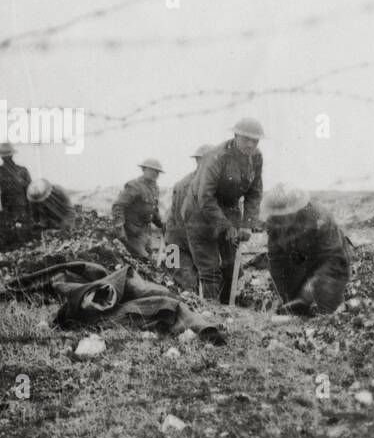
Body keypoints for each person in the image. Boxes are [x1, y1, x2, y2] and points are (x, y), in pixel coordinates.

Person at [182, 118, 264, 302]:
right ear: (235, 136)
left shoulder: (256, 157)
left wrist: (247, 224)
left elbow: (255, 193)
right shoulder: (216, 156)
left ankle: (228, 310)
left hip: (229, 211)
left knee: (230, 265)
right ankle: (212, 312)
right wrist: (225, 226)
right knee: (210, 269)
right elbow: (205, 196)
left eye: (255, 140)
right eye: (246, 139)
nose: (251, 144)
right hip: (200, 214)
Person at [263, 184, 352, 315]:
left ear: (296, 208)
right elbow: (276, 260)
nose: (281, 219)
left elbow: (334, 258)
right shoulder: (273, 222)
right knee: (293, 306)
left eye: (286, 214)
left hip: (331, 261)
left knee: (326, 308)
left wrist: (313, 284)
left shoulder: (319, 218)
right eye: (278, 214)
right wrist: (283, 295)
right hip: (299, 260)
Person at [163, 145, 210, 292]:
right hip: (180, 239)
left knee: (181, 278)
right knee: (184, 281)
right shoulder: (203, 184)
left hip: (176, 238)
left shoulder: (182, 182)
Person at [111, 158, 165, 259]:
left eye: (157, 172)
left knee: (150, 260)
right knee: (143, 259)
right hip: (131, 233)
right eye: (152, 170)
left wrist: (162, 225)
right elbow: (118, 206)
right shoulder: (134, 186)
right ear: (144, 170)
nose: (155, 174)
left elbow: (153, 211)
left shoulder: (155, 188)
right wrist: (119, 227)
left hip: (145, 234)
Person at [0, 143, 32, 223]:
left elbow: (29, 191)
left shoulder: (22, 170)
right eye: (4, 156)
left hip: (20, 208)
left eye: (8, 156)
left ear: (12, 156)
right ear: (1, 157)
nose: (6, 158)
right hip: (4, 208)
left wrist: (29, 211)